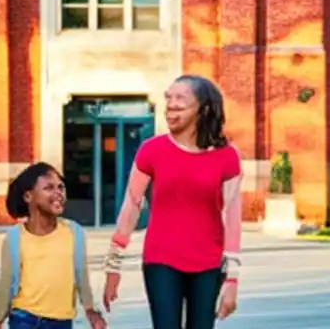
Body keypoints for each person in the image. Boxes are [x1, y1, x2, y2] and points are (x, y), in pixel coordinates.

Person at [101, 74, 243, 329]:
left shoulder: (227, 157)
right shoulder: (151, 150)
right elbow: (132, 205)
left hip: (209, 262)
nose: (171, 104)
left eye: (181, 98)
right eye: (168, 98)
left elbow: (232, 217)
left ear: (204, 108)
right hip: (161, 259)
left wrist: (232, 280)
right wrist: (114, 264)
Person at [0, 162, 105, 329]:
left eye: (61, 187)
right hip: (24, 318)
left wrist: (91, 311)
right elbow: (7, 281)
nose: (58, 193)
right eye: (49, 188)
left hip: (62, 321)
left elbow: (81, 274)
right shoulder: (15, 237)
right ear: (28, 196)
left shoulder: (74, 232)